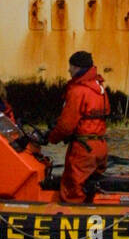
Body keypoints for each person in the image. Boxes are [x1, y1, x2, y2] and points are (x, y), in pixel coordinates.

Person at [46, 51, 111, 203]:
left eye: (71, 67)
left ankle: (71, 219)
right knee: (90, 185)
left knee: (72, 188)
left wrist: (51, 137)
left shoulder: (77, 91)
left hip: (83, 149)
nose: (69, 70)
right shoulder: (100, 89)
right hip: (100, 146)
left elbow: (66, 125)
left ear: (79, 68)